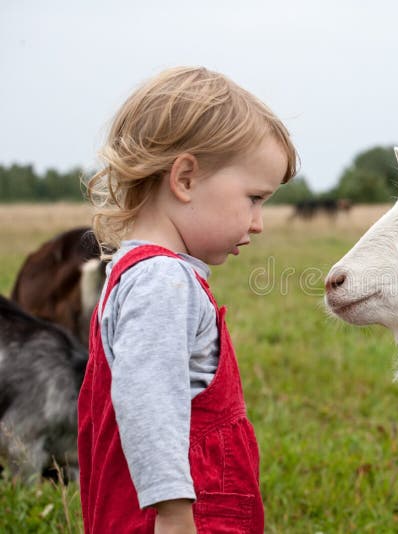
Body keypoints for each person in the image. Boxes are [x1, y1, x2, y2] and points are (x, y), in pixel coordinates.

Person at [78, 66, 298, 533]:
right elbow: (147, 400)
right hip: (187, 517)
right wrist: (175, 515)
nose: (258, 222)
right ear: (186, 179)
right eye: (254, 198)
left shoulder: (139, 271)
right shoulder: (161, 280)